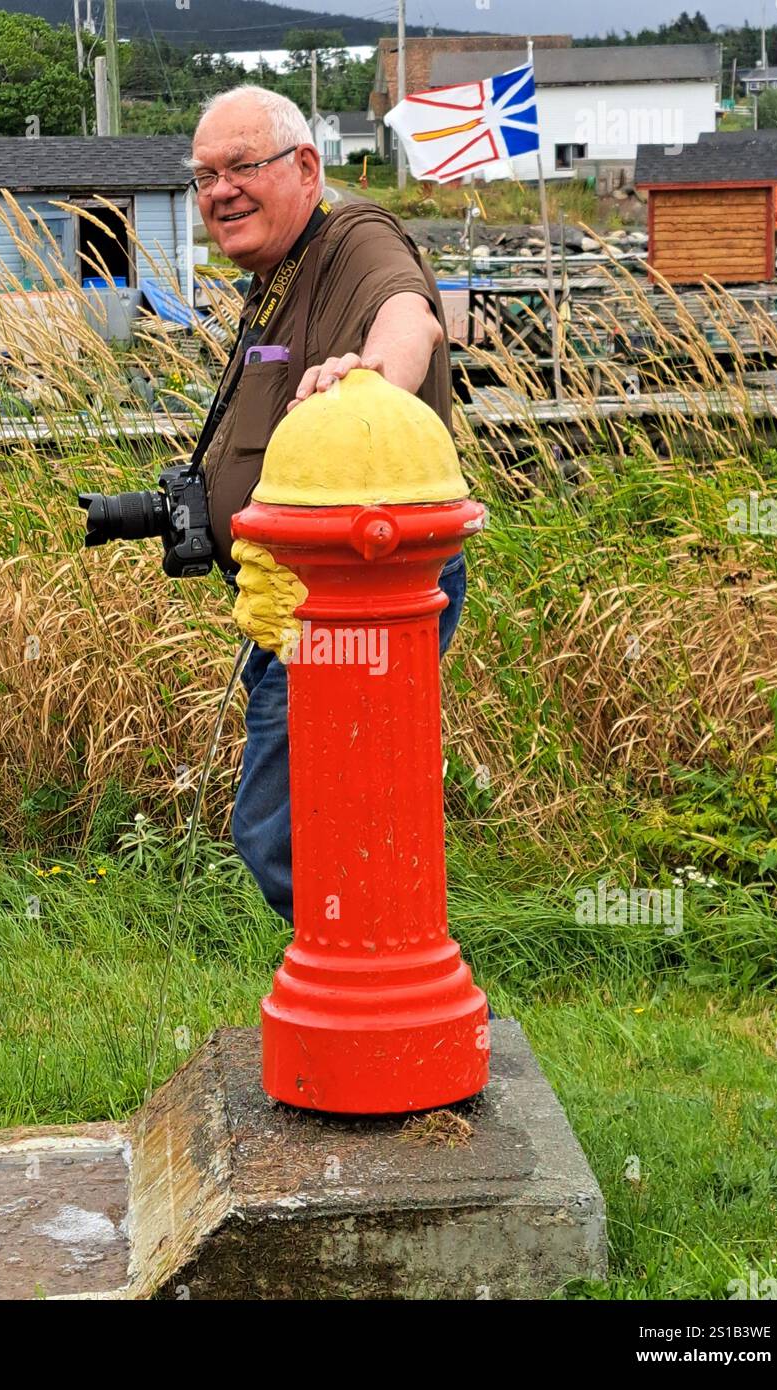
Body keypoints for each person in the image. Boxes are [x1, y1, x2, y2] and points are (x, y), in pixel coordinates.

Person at [189, 85, 466, 922]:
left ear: (306, 166)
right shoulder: (275, 281)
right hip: (294, 599)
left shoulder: (354, 236)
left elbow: (411, 318)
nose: (219, 191)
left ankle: (384, 986)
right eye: (204, 176)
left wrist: (370, 386)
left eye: (242, 166)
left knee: (279, 830)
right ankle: (376, 995)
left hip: (351, 596)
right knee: (328, 814)